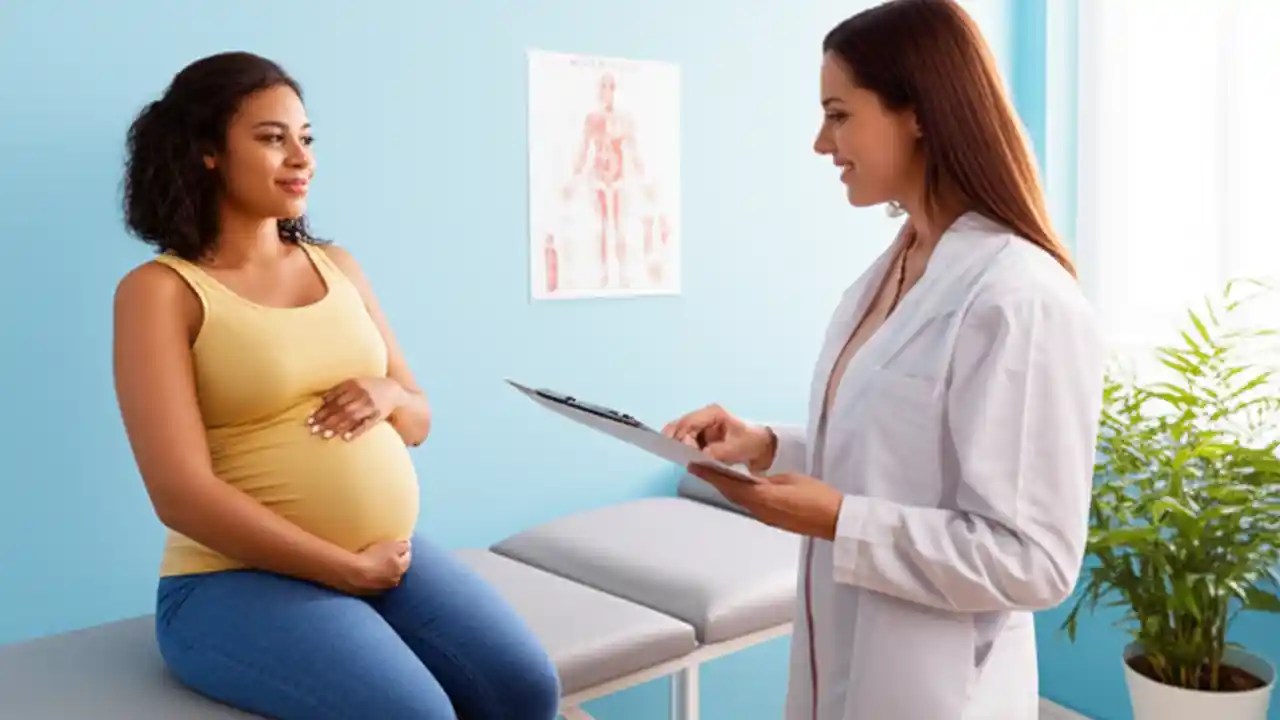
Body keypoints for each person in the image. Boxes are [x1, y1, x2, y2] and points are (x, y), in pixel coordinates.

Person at [663, 2, 1104, 719]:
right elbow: (906, 453)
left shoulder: (1019, 298)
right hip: (843, 672)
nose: (821, 143)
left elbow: (1034, 560)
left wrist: (841, 521)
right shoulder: (897, 269)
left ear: (919, 113)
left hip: (940, 691)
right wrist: (768, 446)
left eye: (838, 115)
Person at [112, 51, 560, 720]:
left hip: (384, 561)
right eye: (272, 138)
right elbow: (180, 495)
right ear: (207, 151)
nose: (302, 158)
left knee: (527, 690)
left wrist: (389, 395)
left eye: (306, 137)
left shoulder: (337, 266)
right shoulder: (161, 292)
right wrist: (341, 570)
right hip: (229, 581)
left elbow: (419, 419)